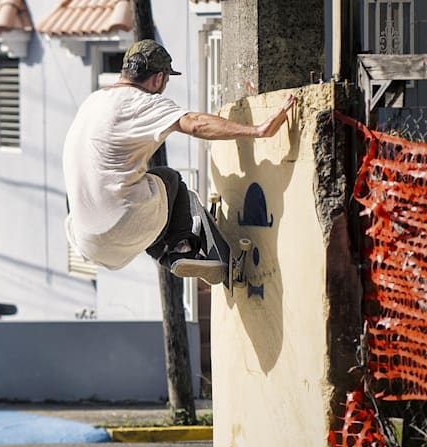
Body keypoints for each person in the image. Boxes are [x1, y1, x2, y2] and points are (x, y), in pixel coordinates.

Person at [63, 39, 297, 284]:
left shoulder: (92, 102)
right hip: (122, 223)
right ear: (158, 78)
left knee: (136, 192)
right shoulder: (141, 102)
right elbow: (194, 123)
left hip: (84, 239)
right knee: (169, 179)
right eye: (166, 81)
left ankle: (167, 253)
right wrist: (257, 130)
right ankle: (182, 247)